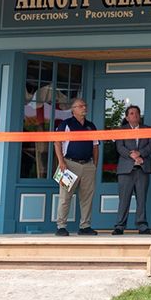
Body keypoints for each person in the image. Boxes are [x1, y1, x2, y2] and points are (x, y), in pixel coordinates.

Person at [52, 97, 98, 236]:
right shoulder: (66, 124)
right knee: (65, 196)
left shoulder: (91, 126)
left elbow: (95, 146)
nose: (84, 108)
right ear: (73, 109)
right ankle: (61, 226)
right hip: (69, 165)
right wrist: (61, 162)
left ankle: (85, 226)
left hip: (88, 165)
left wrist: (94, 164)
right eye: (80, 106)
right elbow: (57, 143)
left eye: (85, 105)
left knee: (87, 197)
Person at [112, 104, 151, 236]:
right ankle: (120, 226)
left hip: (142, 168)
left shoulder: (147, 129)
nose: (134, 115)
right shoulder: (121, 130)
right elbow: (120, 147)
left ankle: (142, 226)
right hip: (126, 170)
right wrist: (132, 155)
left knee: (141, 199)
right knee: (124, 199)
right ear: (126, 117)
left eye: (136, 113)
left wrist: (140, 154)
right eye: (131, 113)